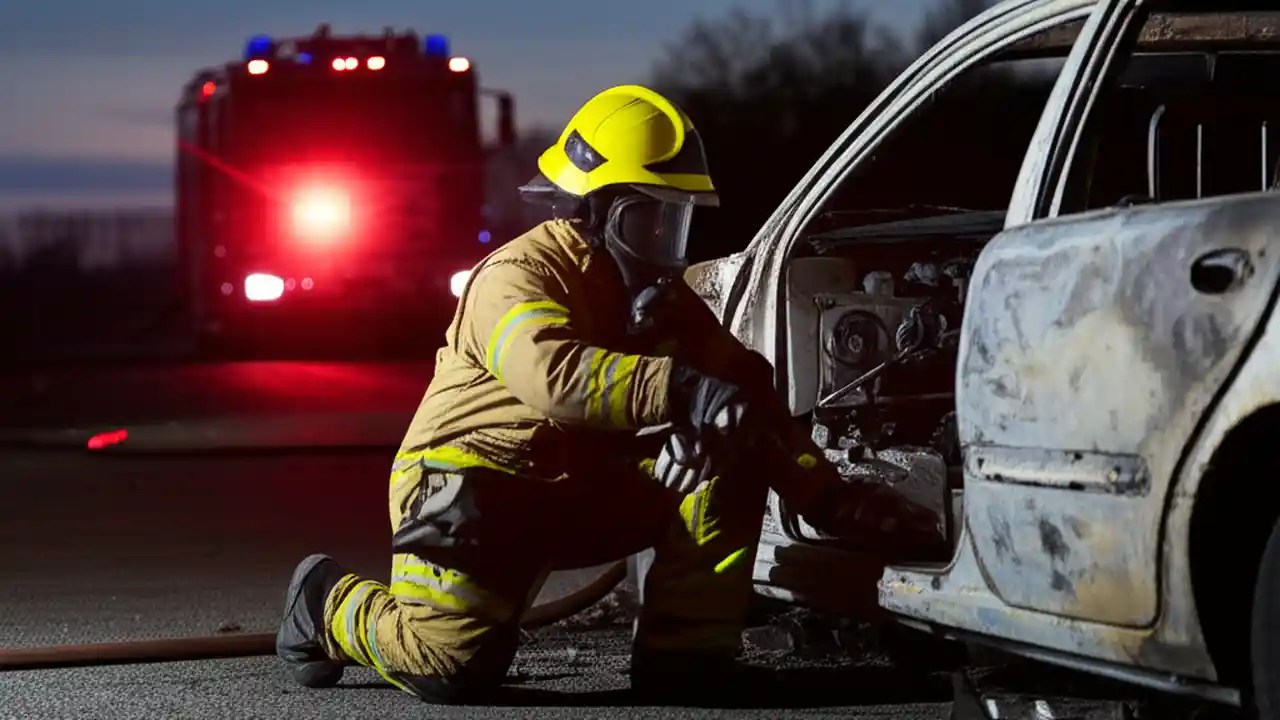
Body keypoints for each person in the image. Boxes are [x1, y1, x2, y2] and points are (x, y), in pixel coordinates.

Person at [275, 84, 933, 705]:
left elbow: (744, 391)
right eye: (648, 221)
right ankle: (324, 601)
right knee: (451, 669)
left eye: (675, 223)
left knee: (729, 434)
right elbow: (550, 374)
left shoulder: (660, 302)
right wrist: (679, 388)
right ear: (591, 209)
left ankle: (687, 657)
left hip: (576, 487)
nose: (665, 248)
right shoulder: (517, 275)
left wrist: (829, 496)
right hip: (471, 489)